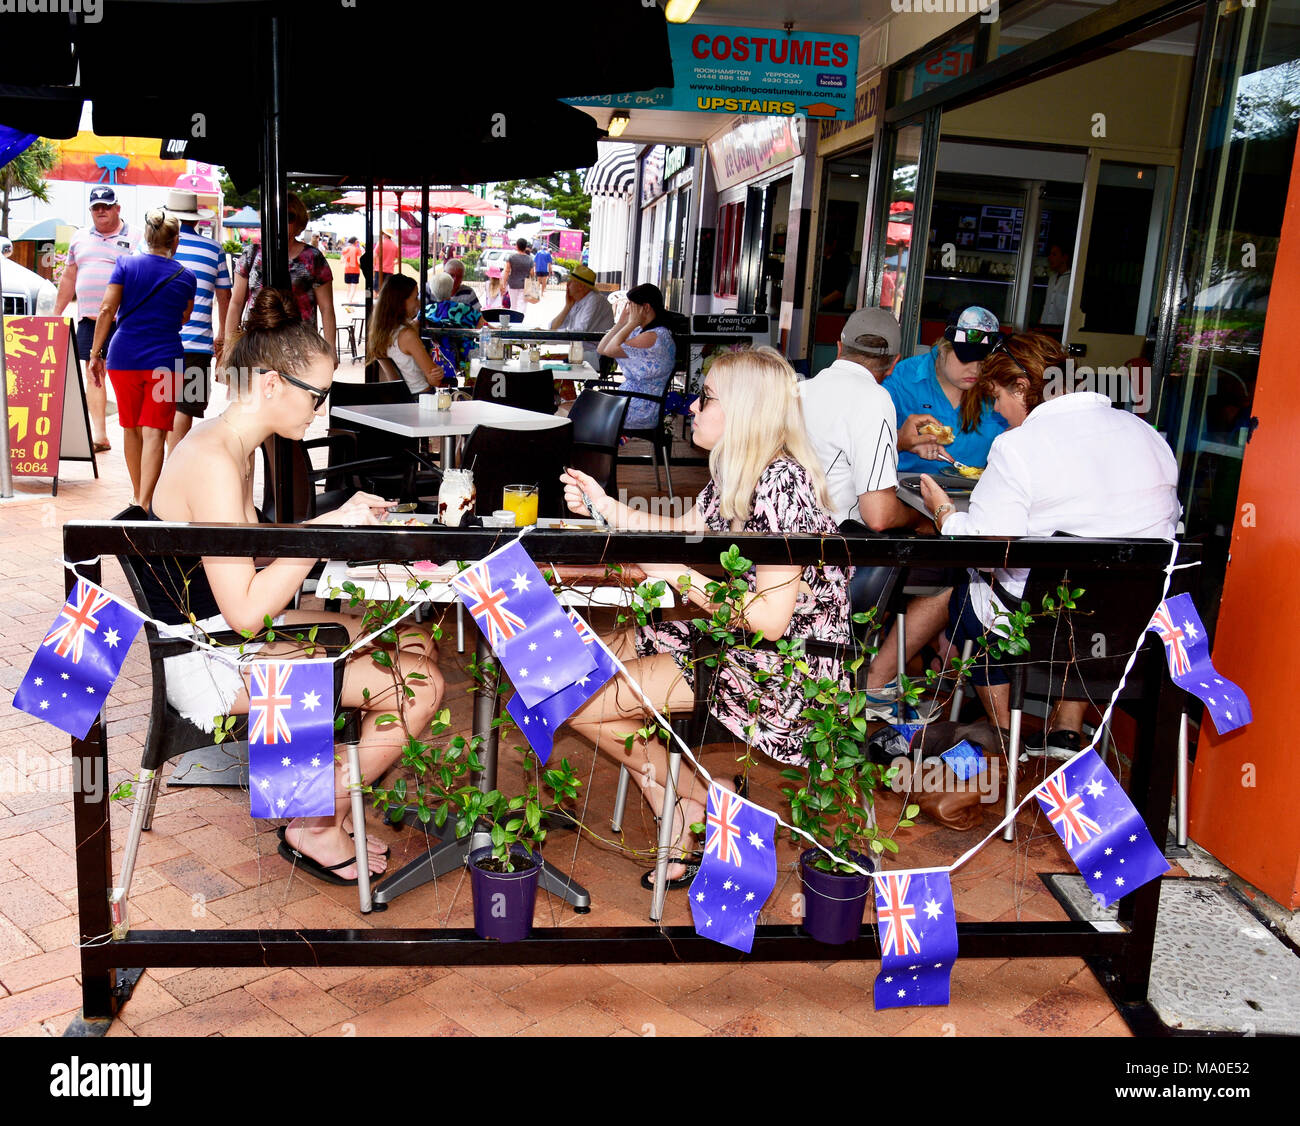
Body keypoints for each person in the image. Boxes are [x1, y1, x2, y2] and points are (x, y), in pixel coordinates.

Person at [150, 288, 444, 885]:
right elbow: (249, 615)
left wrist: (328, 531)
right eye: (317, 394)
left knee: (415, 642)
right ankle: (314, 820)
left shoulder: (229, 447)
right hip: (212, 662)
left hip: (220, 641)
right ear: (270, 385)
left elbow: (253, 562)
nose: (320, 408)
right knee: (420, 684)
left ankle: (318, 795)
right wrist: (327, 531)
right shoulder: (213, 461)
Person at [559, 347, 851, 886]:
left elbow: (769, 619)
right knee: (570, 672)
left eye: (707, 397)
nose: (691, 406)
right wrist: (604, 504)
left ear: (744, 411)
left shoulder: (781, 484)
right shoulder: (740, 471)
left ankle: (690, 808)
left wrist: (676, 574)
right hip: (727, 642)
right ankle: (693, 807)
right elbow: (675, 531)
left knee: (578, 700)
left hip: (784, 670)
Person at [870, 331, 1180, 735]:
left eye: (998, 397)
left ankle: (1006, 733)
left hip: (1042, 628)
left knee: (970, 588)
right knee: (1089, 592)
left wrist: (944, 511)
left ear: (1021, 386)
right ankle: (1065, 727)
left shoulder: (1018, 445)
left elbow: (982, 548)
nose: (998, 411)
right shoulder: (1149, 436)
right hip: (1136, 624)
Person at [89, 209, 196, 511]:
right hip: (165, 358)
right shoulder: (186, 276)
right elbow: (184, 316)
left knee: (131, 427)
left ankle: (137, 497)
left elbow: (107, 310)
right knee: (155, 431)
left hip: (124, 356)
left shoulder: (125, 265)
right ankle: (147, 500)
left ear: (147, 238)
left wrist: (96, 353)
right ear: (175, 241)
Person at [800, 306, 919, 531]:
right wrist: (922, 520)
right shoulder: (874, 398)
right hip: (830, 551)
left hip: (781, 537)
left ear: (839, 348)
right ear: (894, 364)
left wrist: (900, 441)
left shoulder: (799, 390)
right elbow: (879, 516)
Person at [55, 185, 135, 452]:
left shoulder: (135, 238)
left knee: (124, 376)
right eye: (96, 207)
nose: (101, 211)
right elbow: (69, 277)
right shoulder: (79, 238)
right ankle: (99, 435)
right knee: (94, 373)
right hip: (89, 319)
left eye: (106, 206)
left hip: (122, 320)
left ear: (117, 208)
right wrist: (56, 314)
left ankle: (132, 430)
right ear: (90, 210)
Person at [883, 305, 1009, 474]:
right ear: (943, 348)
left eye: (983, 362)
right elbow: (863, 446)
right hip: (906, 492)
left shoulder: (996, 386)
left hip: (974, 493)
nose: (975, 370)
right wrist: (903, 442)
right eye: (967, 359)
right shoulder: (901, 380)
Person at [157, 189, 232, 453]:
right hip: (198, 343)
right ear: (197, 220)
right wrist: (223, 337)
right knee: (185, 406)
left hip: (160, 339)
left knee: (163, 403)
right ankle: (173, 465)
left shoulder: (156, 250)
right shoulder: (214, 249)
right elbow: (225, 297)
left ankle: (163, 471)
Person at [226, 193, 337, 367]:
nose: (280, 222)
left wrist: (331, 350)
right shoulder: (251, 254)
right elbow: (236, 303)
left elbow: (326, 307)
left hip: (301, 347)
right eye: (275, 216)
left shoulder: (313, 257)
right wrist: (230, 347)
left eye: (289, 217)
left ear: (299, 221)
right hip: (257, 346)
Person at [595, 283, 676, 430]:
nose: (628, 311)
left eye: (631, 306)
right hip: (631, 399)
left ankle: (594, 451)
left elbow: (610, 349)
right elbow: (602, 349)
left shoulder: (653, 336)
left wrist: (630, 323)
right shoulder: (643, 332)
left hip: (640, 407)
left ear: (645, 307)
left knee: (574, 411)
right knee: (572, 407)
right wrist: (620, 323)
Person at [367, 274, 445, 395]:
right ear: (401, 301)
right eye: (415, 298)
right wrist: (439, 372)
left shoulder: (379, 333)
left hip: (399, 400)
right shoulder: (407, 335)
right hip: (421, 398)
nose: (418, 303)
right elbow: (435, 380)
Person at [425, 270, 482, 368]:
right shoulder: (465, 309)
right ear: (451, 289)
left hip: (436, 356)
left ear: (433, 292)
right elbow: (484, 326)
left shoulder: (426, 311)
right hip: (465, 356)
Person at [550, 263, 615, 333]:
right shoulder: (577, 301)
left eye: (571, 281)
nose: (567, 284)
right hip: (580, 343)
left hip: (596, 344)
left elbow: (581, 332)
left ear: (581, 286)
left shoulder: (595, 300)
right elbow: (553, 327)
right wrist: (567, 307)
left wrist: (549, 333)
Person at [1039, 243, 1072, 328]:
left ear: (1064, 257)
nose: (1050, 258)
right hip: (1045, 329)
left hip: (1060, 331)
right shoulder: (1052, 278)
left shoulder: (1071, 281)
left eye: (1054, 254)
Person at [501, 237, 534, 315]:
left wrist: (504, 283)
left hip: (512, 284)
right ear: (525, 247)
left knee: (513, 305)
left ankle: (514, 320)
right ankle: (520, 320)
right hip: (524, 285)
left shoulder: (511, 258)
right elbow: (532, 273)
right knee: (522, 305)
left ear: (517, 246)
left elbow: (507, 271)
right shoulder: (530, 259)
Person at [372, 227, 400, 294]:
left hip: (379, 268)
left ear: (385, 234)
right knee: (387, 288)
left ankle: (376, 299)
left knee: (376, 288)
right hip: (389, 270)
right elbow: (398, 260)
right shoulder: (395, 246)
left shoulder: (380, 243)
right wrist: (392, 263)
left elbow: (374, 255)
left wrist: (374, 264)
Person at [340, 236, 363, 304]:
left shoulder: (345, 249)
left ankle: (348, 300)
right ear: (355, 242)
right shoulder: (357, 250)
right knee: (354, 286)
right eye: (357, 242)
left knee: (349, 286)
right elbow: (359, 261)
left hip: (347, 269)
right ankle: (350, 300)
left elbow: (342, 260)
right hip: (355, 270)